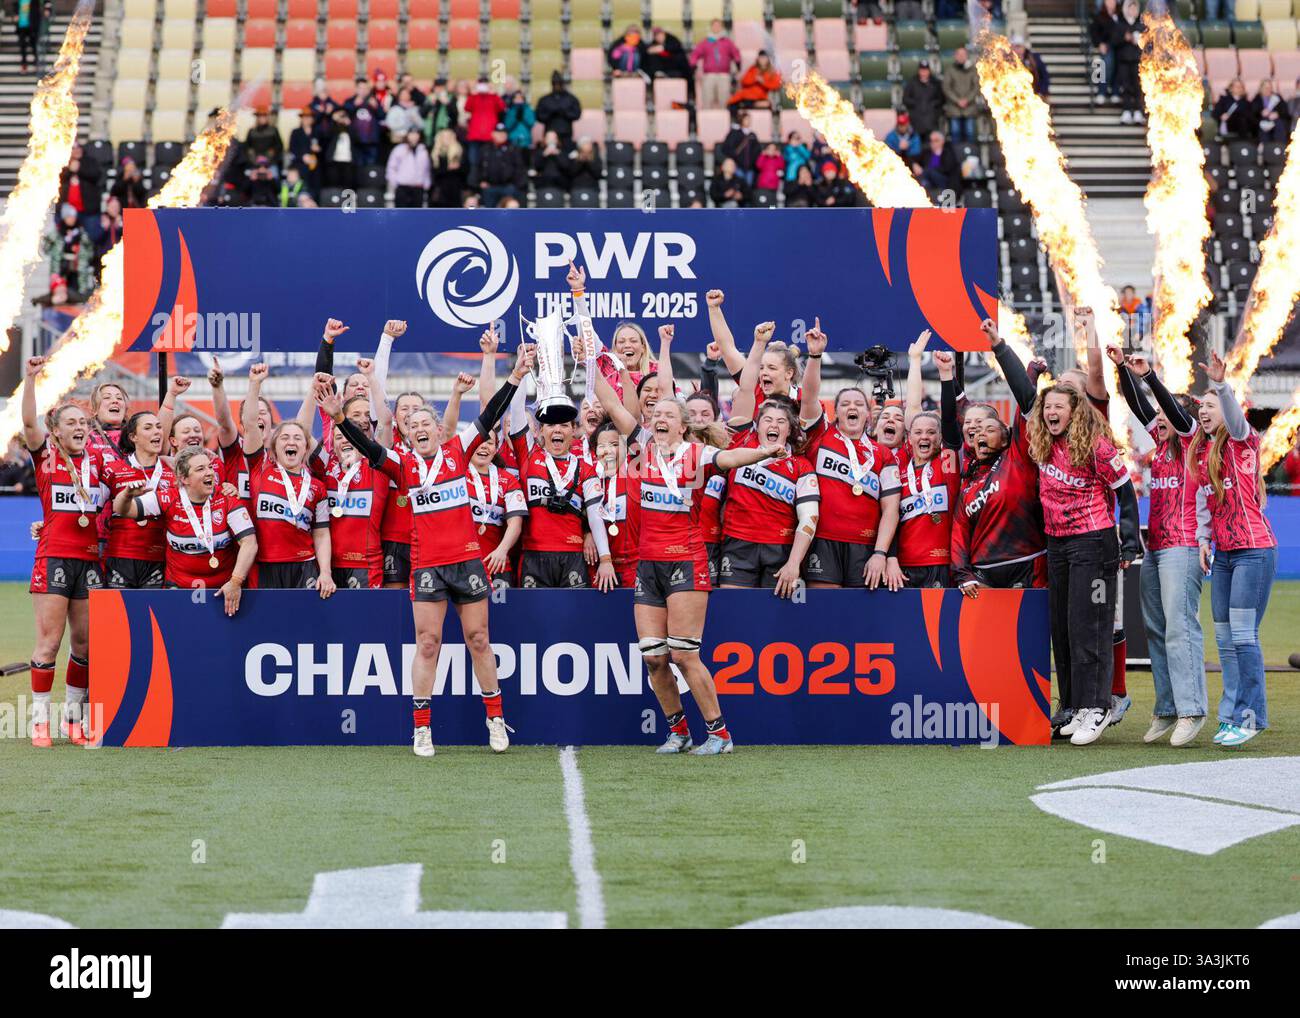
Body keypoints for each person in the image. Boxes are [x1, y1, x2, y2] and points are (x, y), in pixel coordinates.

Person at [321, 344, 534, 757]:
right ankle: (421, 729)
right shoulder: (402, 465)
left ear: (439, 430)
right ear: (406, 433)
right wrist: (340, 418)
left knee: (478, 638)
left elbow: (490, 415)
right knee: (428, 644)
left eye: (426, 422)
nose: (419, 427)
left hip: (467, 561)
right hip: (427, 567)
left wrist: (516, 376)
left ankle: (495, 718)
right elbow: (368, 450)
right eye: (412, 423)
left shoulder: (458, 451)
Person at [589, 329, 786, 754]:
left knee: (684, 655)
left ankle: (719, 734)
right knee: (654, 658)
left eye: (667, 415)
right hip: (648, 566)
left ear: (682, 425)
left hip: (686, 564)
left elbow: (731, 457)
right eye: (654, 414)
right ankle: (678, 731)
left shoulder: (695, 455)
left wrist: (767, 452)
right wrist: (589, 361)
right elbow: (608, 402)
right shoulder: (640, 449)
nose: (658, 418)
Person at [1028, 377, 1142, 746]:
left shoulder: (1096, 446)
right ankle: (1075, 704)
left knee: (1089, 627)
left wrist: (1128, 542)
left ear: (1075, 411)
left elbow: (1125, 492)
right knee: (1061, 629)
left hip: (1093, 543)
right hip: (1057, 544)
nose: (1051, 413)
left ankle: (1098, 705)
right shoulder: (1044, 444)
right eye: (1047, 408)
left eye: (1058, 407)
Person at [1107, 348, 1207, 746]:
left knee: (1180, 628)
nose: (1158, 421)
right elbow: (1135, 403)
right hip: (1157, 546)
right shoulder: (1162, 444)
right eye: (1157, 418)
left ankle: (1191, 709)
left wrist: (1150, 377)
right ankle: (1166, 708)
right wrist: (1121, 370)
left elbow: (1171, 410)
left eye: (1165, 416)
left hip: (1183, 546)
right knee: (1156, 628)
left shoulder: (1190, 442)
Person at [1191, 352, 1277, 748]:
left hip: (1253, 551)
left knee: (1244, 637)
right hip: (1223, 556)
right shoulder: (1203, 453)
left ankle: (1251, 716)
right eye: (1202, 406)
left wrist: (1223, 386)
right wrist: (1204, 541)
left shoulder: (1244, 442)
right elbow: (1204, 503)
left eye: (1211, 406)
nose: (1204, 411)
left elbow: (1237, 420)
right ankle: (1230, 715)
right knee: (1225, 641)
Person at [20, 357, 107, 747]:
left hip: (90, 559)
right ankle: (39, 721)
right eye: (70, 423)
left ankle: (72, 720)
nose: (79, 428)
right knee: (50, 642)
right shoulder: (47, 458)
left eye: (84, 424)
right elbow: (27, 425)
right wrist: (30, 378)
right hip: (54, 557)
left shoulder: (100, 462)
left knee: (85, 643)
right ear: (55, 430)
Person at [798, 322, 902, 589]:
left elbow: (890, 508)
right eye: (845, 404)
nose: (852, 408)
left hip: (865, 546)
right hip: (822, 541)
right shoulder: (820, 435)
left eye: (859, 405)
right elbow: (808, 398)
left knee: (859, 624)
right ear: (836, 412)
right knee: (823, 619)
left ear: (869, 414)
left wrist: (881, 553)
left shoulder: (883, 454)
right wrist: (815, 356)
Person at [115, 444, 257, 618]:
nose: (210, 472)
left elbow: (249, 543)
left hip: (223, 591)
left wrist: (235, 581)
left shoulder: (226, 498)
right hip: (178, 590)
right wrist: (127, 495)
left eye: (210, 467)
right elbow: (123, 509)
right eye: (200, 469)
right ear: (184, 479)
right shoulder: (169, 497)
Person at [240, 366, 335, 595]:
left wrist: (325, 572)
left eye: (297, 438)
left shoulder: (316, 487)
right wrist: (255, 384)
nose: (290, 442)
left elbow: (321, 533)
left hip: (305, 567)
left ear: (305, 448)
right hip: (265, 566)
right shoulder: (260, 468)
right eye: (284, 437)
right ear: (274, 447)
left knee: (305, 630)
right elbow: (251, 425)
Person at [100, 411, 173, 590]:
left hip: (158, 559)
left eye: (159, 427)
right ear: (133, 437)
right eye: (148, 428)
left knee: (152, 618)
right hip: (120, 557)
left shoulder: (174, 472)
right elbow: (90, 509)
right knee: (118, 618)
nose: (157, 432)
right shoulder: (112, 470)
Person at [43, 204, 94, 301]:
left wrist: (84, 257)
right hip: (61, 267)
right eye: (69, 216)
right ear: (64, 217)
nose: (72, 219)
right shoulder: (57, 232)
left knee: (77, 291)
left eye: (73, 216)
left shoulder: (81, 232)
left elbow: (90, 249)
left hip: (77, 268)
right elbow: (45, 248)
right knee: (60, 291)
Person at [470, 122, 527, 208]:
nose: (501, 135)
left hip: (508, 187)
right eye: (498, 133)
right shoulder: (485, 149)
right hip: (490, 187)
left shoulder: (513, 149)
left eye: (503, 133)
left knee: (510, 210)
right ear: (493, 134)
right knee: (489, 213)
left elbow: (519, 168)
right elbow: (477, 167)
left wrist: (516, 185)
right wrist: (479, 182)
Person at [690, 20, 741, 109]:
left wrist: (738, 62)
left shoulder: (727, 42)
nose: (716, 28)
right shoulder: (705, 42)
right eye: (714, 25)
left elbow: (735, 53)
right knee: (707, 99)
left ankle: (724, 120)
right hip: (709, 75)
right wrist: (693, 64)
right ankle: (706, 119)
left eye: (718, 26)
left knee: (724, 100)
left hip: (724, 75)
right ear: (711, 27)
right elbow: (695, 53)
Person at [1111, 0, 1143, 124]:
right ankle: (1126, 110)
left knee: (1137, 87)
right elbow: (1113, 41)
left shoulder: (1141, 25)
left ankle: (1138, 111)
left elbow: (1148, 43)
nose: (1133, 11)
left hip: (1137, 61)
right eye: (1131, 8)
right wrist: (1124, 38)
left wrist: (1138, 41)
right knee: (1126, 86)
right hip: (1123, 60)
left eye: (1135, 8)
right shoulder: (1120, 24)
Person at [463, 79, 505, 172]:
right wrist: (472, 94)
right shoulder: (474, 97)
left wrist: (494, 94)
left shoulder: (493, 97)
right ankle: (473, 182)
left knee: (488, 160)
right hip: (475, 135)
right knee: (474, 160)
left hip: (489, 135)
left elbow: (501, 107)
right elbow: (467, 108)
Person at [943, 46, 982, 141]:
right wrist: (957, 101)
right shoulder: (950, 70)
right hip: (954, 109)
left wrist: (967, 100)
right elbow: (946, 88)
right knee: (955, 135)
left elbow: (976, 87)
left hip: (969, 109)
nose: (961, 56)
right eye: (959, 54)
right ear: (955, 56)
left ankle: (971, 155)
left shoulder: (973, 70)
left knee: (970, 134)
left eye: (963, 54)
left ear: (967, 56)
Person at [386, 128, 431, 207]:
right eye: (411, 134)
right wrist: (395, 183)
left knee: (417, 215)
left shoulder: (423, 150)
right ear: (407, 135)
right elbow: (391, 168)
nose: (414, 136)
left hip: (418, 187)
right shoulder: (399, 149)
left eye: (416, 134)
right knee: (401, 215)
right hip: (402, 187)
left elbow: (426, 169)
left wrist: (427, 183)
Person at [534, 72, 581, 144]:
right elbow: (539, 116)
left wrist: (564, 112)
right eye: (555, 83)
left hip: (566, 133)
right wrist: (551, 113)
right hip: (550, 134)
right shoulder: (545, 99)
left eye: (559, 83)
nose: (557, 86)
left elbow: (577, 115)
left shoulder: (571, 99)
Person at [902, 61, 944, 139]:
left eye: (926, 70)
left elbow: (941, 100)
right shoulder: (912, 83)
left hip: (932, 121)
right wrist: (916, 105)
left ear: (929, 71)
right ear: (919, 71)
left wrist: (932, 107)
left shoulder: (935, 83)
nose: (924, 72)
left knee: (931, 144)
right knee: (917, 144)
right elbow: (905, 99)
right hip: (916, 121)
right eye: (922, 70)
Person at [1090, 0, 1120, 104]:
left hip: (1120, 47)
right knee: (1105, 65)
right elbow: (1094, 32)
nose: (1111, 3)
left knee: (1119, 66)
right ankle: (1101, 91)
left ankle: (1115, 91)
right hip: (1106, 46)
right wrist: (1099, 44)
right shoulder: (1099, 16)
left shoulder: (1120, 16)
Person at [917, 130, 961, 198]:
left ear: (942, 141)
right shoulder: (927, 153)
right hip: (930, 182)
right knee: (923, 180)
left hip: (947, 183)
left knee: (928, 173)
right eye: (931, 141)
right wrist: (915, 164)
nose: (933, 143)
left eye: (936, 140)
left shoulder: (949, 151)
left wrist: (937, 156)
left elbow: (947, 169)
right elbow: (921, 165)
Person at [430, 128, 467, 207]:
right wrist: (448, 168)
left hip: (456, 189)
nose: (447, 139)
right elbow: (434, 172)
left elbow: (466, 170)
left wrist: (458, 167)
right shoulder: (435, 153)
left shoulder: (460, 150)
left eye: (449, 136)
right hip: (440, 190)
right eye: (444, 136)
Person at [719, 112, 760, 184]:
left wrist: (752, 162)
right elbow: (726, 148)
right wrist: (735, 158)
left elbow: (757, 150)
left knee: (748, 187)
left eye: (749, 119)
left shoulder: (752, 135)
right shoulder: (735, 133)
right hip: (737, 166)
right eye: (746, 119)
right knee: (738, 185)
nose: (749, 121)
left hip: (750, 167)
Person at [14, 0, 42, 73]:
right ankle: (24, 66)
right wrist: (15, 16)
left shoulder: (34, 1)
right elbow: (16, 10)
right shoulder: (19, 1)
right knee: (22, 46)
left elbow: (38, 13)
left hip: (31, 26)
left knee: (33, 45)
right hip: (21, 26)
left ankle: (36, 64)